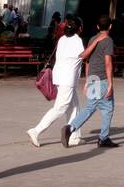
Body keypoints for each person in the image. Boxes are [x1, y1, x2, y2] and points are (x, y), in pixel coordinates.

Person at [26, 16, 84, 148]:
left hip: (59, 76)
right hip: (67, 79)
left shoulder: (62, 39)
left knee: (74, 106)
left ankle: (74, 136)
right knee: (60, 108)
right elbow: (84, 55)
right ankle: (36, 131)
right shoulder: (77, 40)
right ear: (80, 28)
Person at [62, 16, 117, 149]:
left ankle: (70, 128)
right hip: (102, 79)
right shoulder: (108, 41)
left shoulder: (93, 39)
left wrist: (87, 79)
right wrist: (110, 84)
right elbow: (108, 63)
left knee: (90, 106)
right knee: (107, 108)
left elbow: (87, 60)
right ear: (110, 27)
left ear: (97, 27)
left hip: (93, 78)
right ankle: (103, 138)